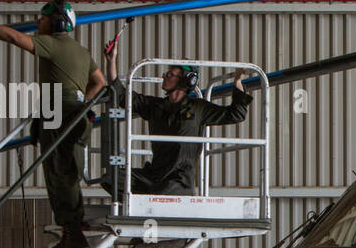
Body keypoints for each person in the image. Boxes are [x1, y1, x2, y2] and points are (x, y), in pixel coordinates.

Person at [0, 0, 107, 248]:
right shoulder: (82, 51)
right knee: (65, 170)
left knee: (58, 172)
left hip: (58, 110)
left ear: (56, 22)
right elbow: (100, 82)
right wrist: (82, 103)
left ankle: (73, 235)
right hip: (71, 112)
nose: (38, 22)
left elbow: (14, 37)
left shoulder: (52, 44)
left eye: (43, 18)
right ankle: (71, 232)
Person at [104, 44, 253, 198]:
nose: (164, 76)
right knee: (111, 178)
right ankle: (140, 203)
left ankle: (145, 201)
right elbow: (122, 96)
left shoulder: (198, 108)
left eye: (170, 74)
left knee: (161, 194)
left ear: (186, 80)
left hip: (178, 180)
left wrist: (237, 81)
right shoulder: (155, 106)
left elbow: (236, 114)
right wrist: (111, 61)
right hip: (154, 176)